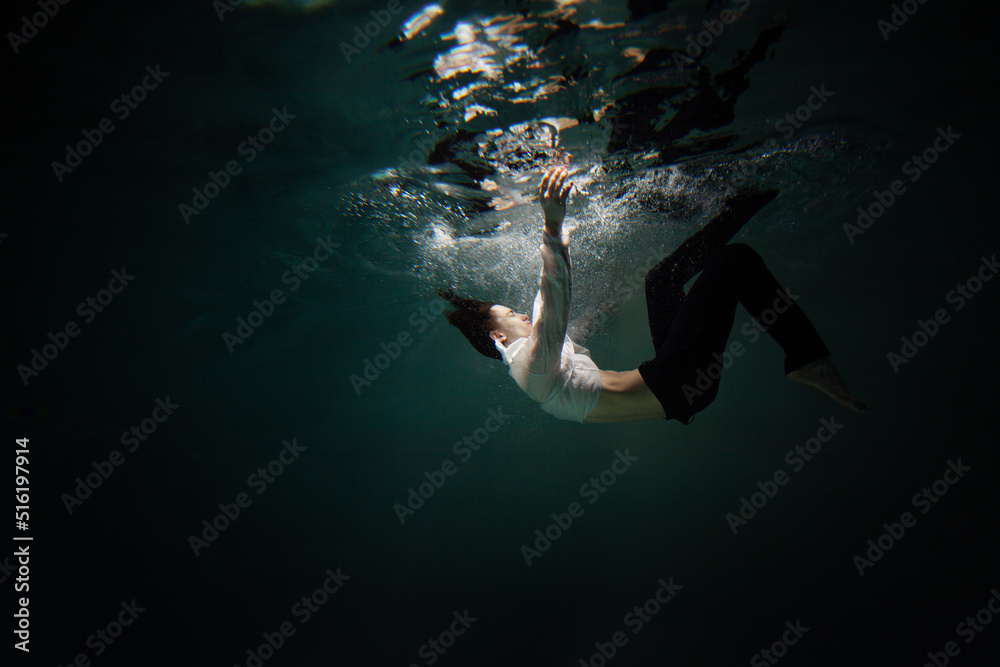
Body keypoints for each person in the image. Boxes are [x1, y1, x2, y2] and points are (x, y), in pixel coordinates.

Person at [439, 165, 869, 424]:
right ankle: (806, 359)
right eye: (510, 313)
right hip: (680, 385)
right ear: (499, 338)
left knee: (658, 282)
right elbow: (552, 308)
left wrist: (577, 266)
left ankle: (739, 207)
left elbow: (558, 319)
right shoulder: (529, 368)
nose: (520, 313)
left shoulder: (536, 363)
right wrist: (552, 227)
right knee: (735, 261)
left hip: (669, 379)